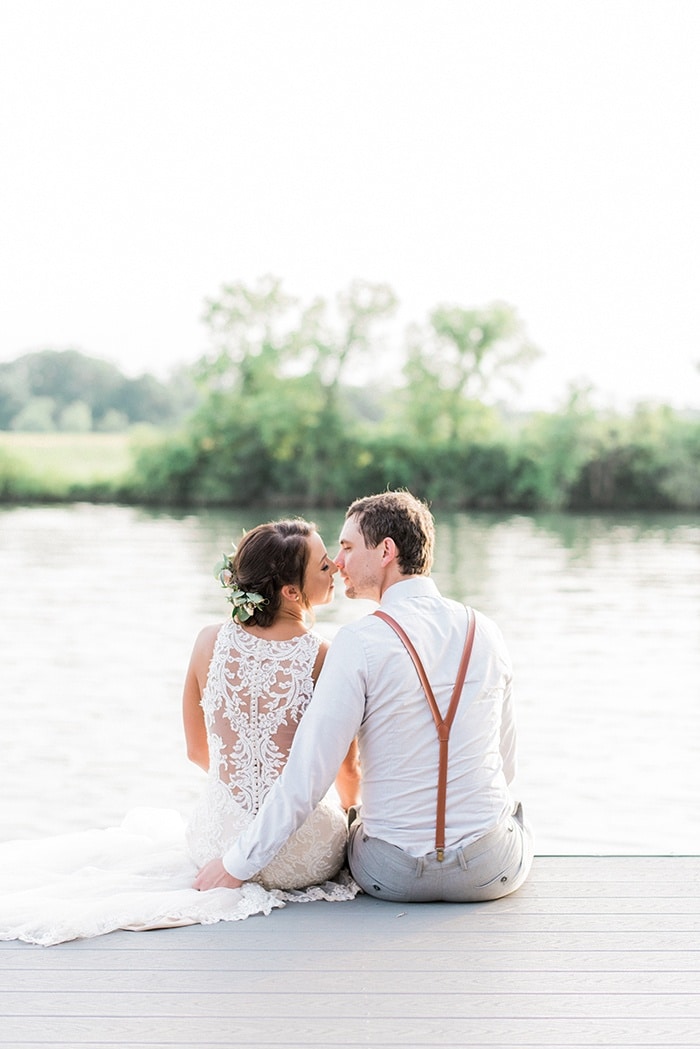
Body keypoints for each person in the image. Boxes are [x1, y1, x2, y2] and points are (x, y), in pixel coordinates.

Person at [0, 518, 360, 946]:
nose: (335, 569)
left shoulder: (208, 642)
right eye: (323, 567)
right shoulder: (323, 655)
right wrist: (351, 813)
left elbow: (196, 751)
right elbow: (346, 768)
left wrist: (240, 792)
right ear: (291, 592)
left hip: (218, 841)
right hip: (301, 852)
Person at [194, 490, 533, 903]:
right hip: (489, 870)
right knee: (512, 815)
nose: (338, 562)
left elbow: (305, 780)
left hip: (392, 877)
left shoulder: (358, 642)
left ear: (386, 551)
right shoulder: (486, 630)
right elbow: (505, 762)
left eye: (348, 547)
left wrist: (234, 867)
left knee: (356, 824)